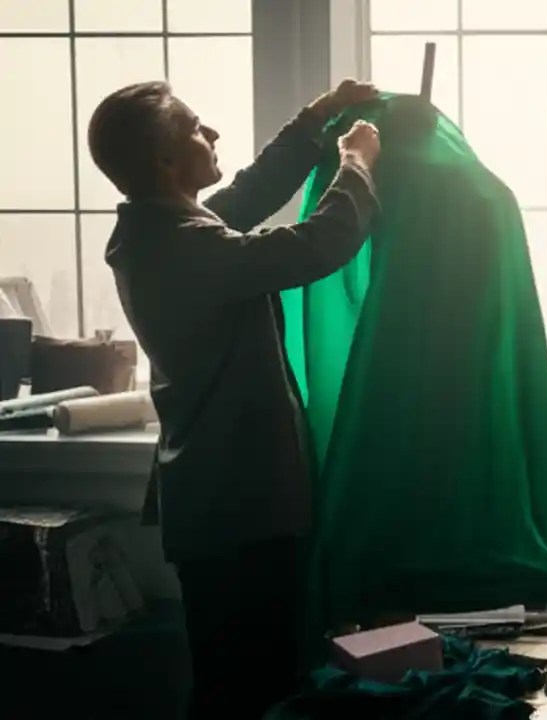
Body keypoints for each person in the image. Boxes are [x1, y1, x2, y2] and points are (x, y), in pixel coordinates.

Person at [86, 78, 382, 718]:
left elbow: (247, 195)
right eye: (196, 128)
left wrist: (317, 119)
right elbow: (316, 245)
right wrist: (356, 166)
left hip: (219, 498)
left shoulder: (162, 231)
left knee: (236, 675)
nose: (212, 135)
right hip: (238, 496)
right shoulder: (183, 246)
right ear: (166, 161)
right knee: (251, 684)